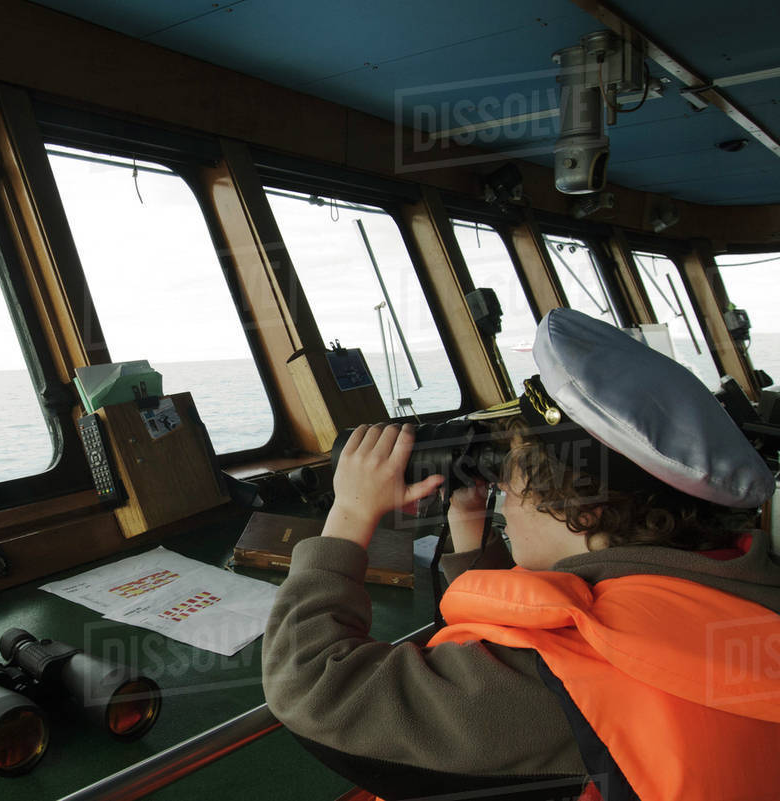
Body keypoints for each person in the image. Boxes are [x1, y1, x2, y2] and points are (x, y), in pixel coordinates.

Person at [262, 308, 780, 801]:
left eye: (514, 487)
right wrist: (471, 530)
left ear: (588, 512)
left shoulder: (564, 678)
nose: (505, 502)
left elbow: (312, 686)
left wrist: (349, 517)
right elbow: (549, 621)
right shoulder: (736, 585)